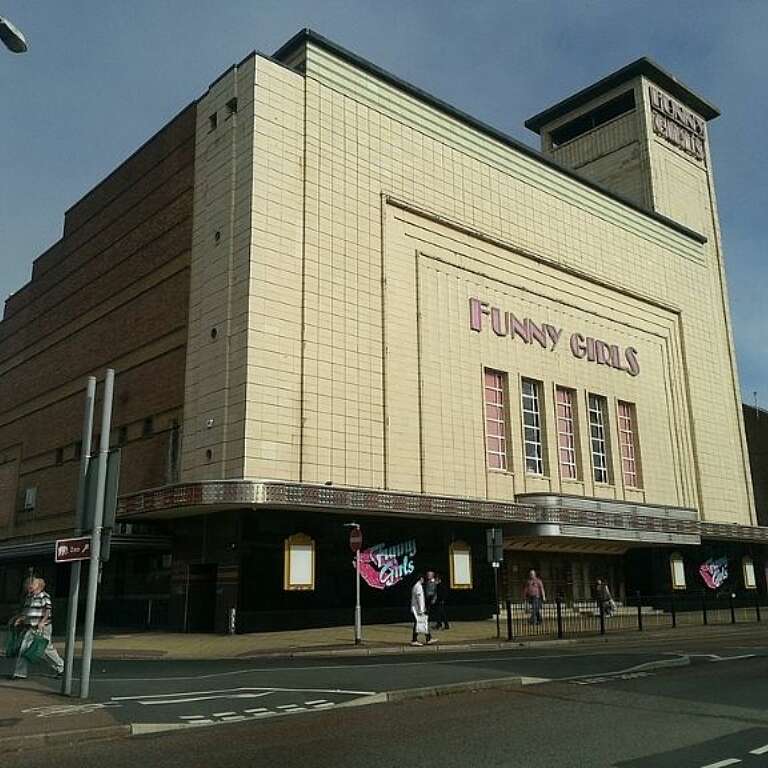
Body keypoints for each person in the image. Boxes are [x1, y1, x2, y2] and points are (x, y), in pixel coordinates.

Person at [10, 577, 64, 680]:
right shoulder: (29, 597)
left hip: (43, 627)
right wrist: (21, 619)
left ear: (39, 586)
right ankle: (20, 673)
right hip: (31, 627)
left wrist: (42, 622)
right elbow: (26, 612)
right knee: (23, 648)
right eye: (28, 584)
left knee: (46, 650)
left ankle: (60, 667)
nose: (29, 586)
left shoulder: (44, 596)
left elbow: (48, 610)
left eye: (32, 584)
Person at [410, 574, 435, 646]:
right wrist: (421, 610)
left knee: (423, 623)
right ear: (420, 579)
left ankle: (428, 638)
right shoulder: (418, 587)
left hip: (416, 608)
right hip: (418, 610)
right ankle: (415, 640)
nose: (424, 580)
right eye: (423, 579)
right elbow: (420, 599)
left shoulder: (416, 586)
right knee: (419, 624)